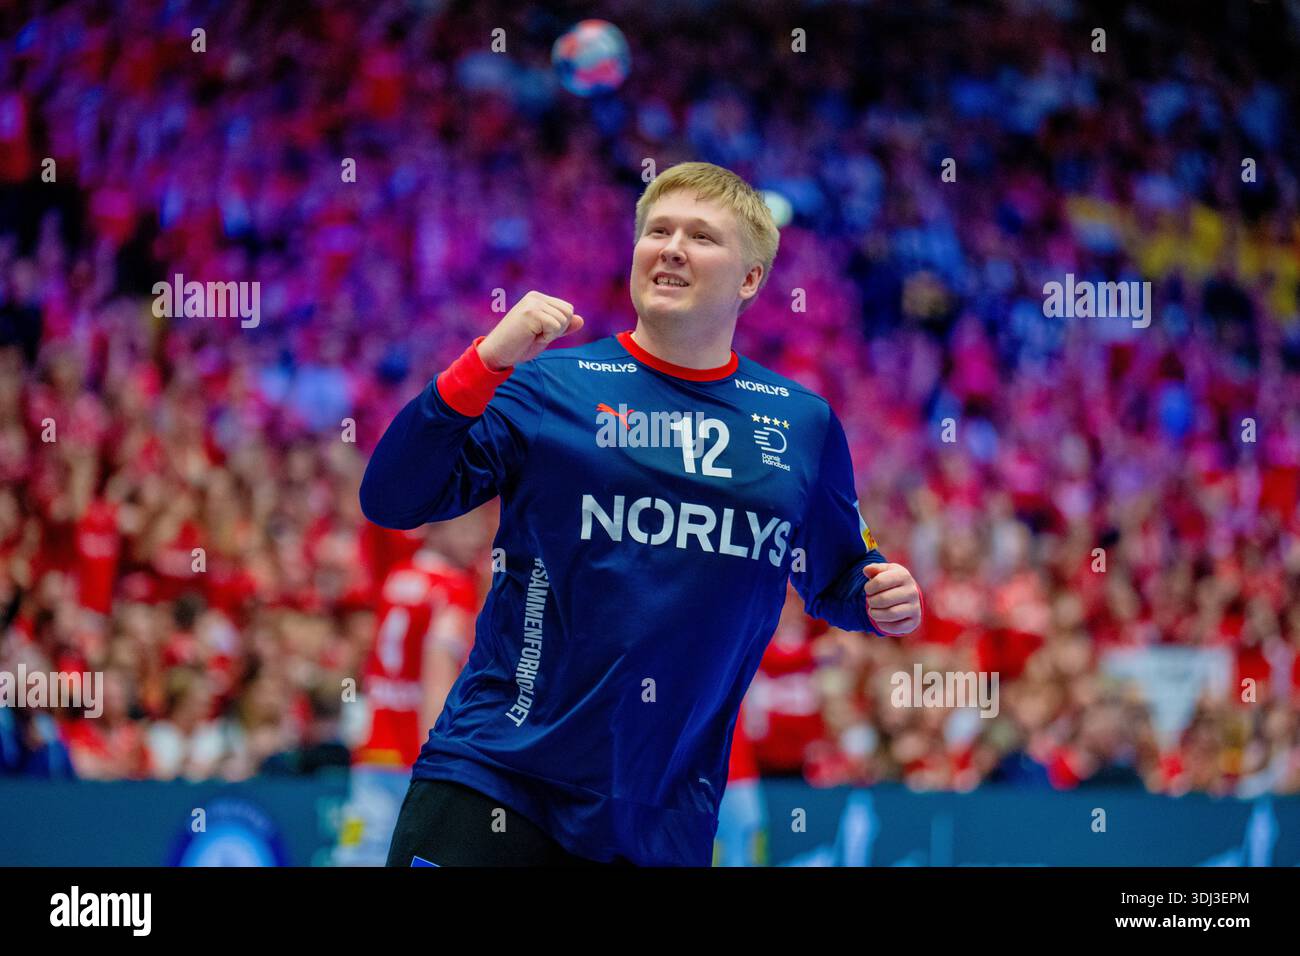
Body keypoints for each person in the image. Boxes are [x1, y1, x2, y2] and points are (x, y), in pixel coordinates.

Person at [361, 161, 923, 867]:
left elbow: (839, 576)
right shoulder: (549, 386)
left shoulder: (802, 425)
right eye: (657, 230)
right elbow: (393, 497)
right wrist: (486, 361)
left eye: (701, 236)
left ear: (750, 279)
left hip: (661, 822)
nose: (672, 247)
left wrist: (880, 594)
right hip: (497, 782)